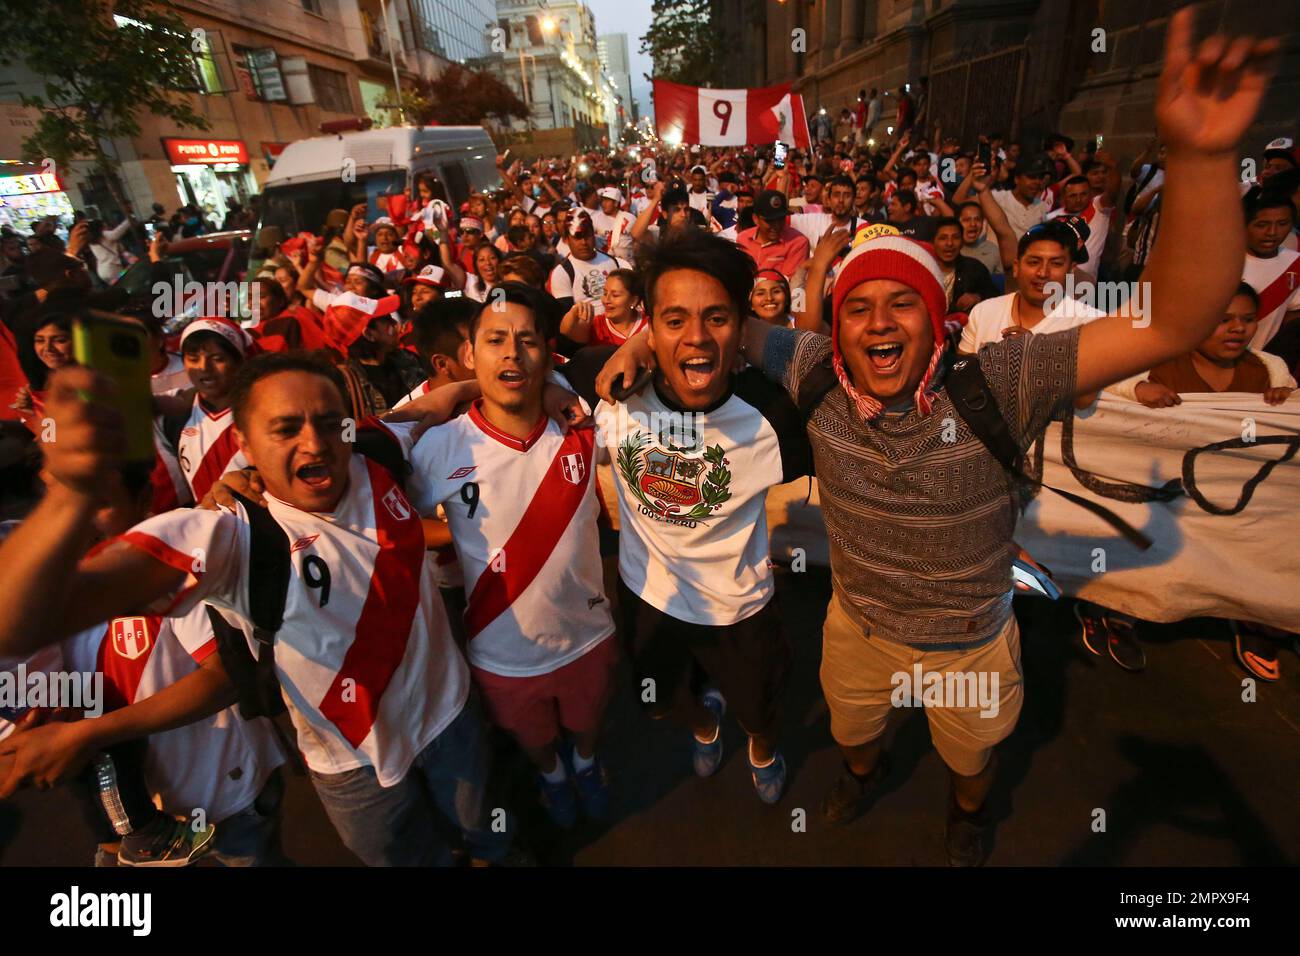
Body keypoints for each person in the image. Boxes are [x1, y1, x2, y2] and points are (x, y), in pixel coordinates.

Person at [600, 11, 1276, 863]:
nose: (879, 322)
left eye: (903, 302)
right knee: (855, 734)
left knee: (971, 760)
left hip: (972, 642)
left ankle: (966, 817)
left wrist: (1205, 158)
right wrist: (636, 336)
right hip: (857, 631)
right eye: (858, 308)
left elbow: (1176, 318)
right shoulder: (812, 370)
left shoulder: (1003, 380)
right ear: (834, 331)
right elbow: (710, 328)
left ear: (941, 320)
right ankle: (859, 776)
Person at [0, 352, 513, 866]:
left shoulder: (374, 451)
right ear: (244, 444)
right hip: (351, 763)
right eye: (285, 429)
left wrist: (545, 386)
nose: (315, 443)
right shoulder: (231, 533)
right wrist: (71, 495)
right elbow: (19, 622)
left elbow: (436, 402)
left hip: (449, 714)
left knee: (486, 832)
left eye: (329, 423)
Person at [570, 229, 814, 804]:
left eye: (718, 318)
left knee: (759, 709)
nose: (697, 338)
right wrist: (444, 398)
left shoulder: (776, 416)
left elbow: (851, 390)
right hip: (647, 598)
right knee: (661, 702)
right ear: (647, 326)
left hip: (740, 609)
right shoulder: (608, 384)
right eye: (674, 320)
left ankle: (761, 751)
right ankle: (705, 727)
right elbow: (523, 381)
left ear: (743, 327)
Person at [404, 283, 617, 827]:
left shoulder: (583, 425)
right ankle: (552, 777)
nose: (511, 352)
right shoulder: (439, 449)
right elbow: (362, 456)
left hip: (589, 635)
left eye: (526, 340)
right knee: (534, 738)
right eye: (495, 340)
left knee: (588, 722)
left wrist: (557, 390)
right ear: (469, 355)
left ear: (547, 353)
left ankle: (588, 764)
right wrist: (450, 395)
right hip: (501, 653)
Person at [0, 468, 288, 867]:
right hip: (137, 819)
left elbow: (223, 679)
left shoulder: (171, 563)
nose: (73, 517)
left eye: (96, 502)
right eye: (58, 501)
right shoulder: (39, 582)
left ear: (142, 501)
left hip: (222, 800)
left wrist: (82, 736)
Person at [959, 219, 1104, 353]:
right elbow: (961, 375)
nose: (1043, 273)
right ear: (1016, 267)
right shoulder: (983, 313)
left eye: (1056, 264)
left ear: (1071, 270)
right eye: (1034, 262)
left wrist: (1037, 356)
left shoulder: (1091, 324)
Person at [1240, 190, 1299, 350]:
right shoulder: (1221, 262)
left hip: (1264, 362)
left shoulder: (1296, 264)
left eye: (1282, 224)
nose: (1272, 233)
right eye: (1262, 225)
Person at [547, 211, 629, 303]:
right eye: (577, 237)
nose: (584, 242)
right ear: (567, 240)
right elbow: (565, 314)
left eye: (587, 235)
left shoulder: (612, 262)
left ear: (594, 235)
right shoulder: (561, 273)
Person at [736, 190, 811, 279]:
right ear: (755, 219)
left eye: (781, 219)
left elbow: (789, 283)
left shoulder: (798, 243)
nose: (776, 225)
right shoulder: (743, 239)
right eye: (770, 221)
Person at [932, 217, 998, 312]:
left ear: (962, 242)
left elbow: (994, 296)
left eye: (955, 237)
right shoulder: (924, 269)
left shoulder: (975, 268)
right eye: (943, 238)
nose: (950, 243)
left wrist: (977, 297)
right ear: (933, 242)